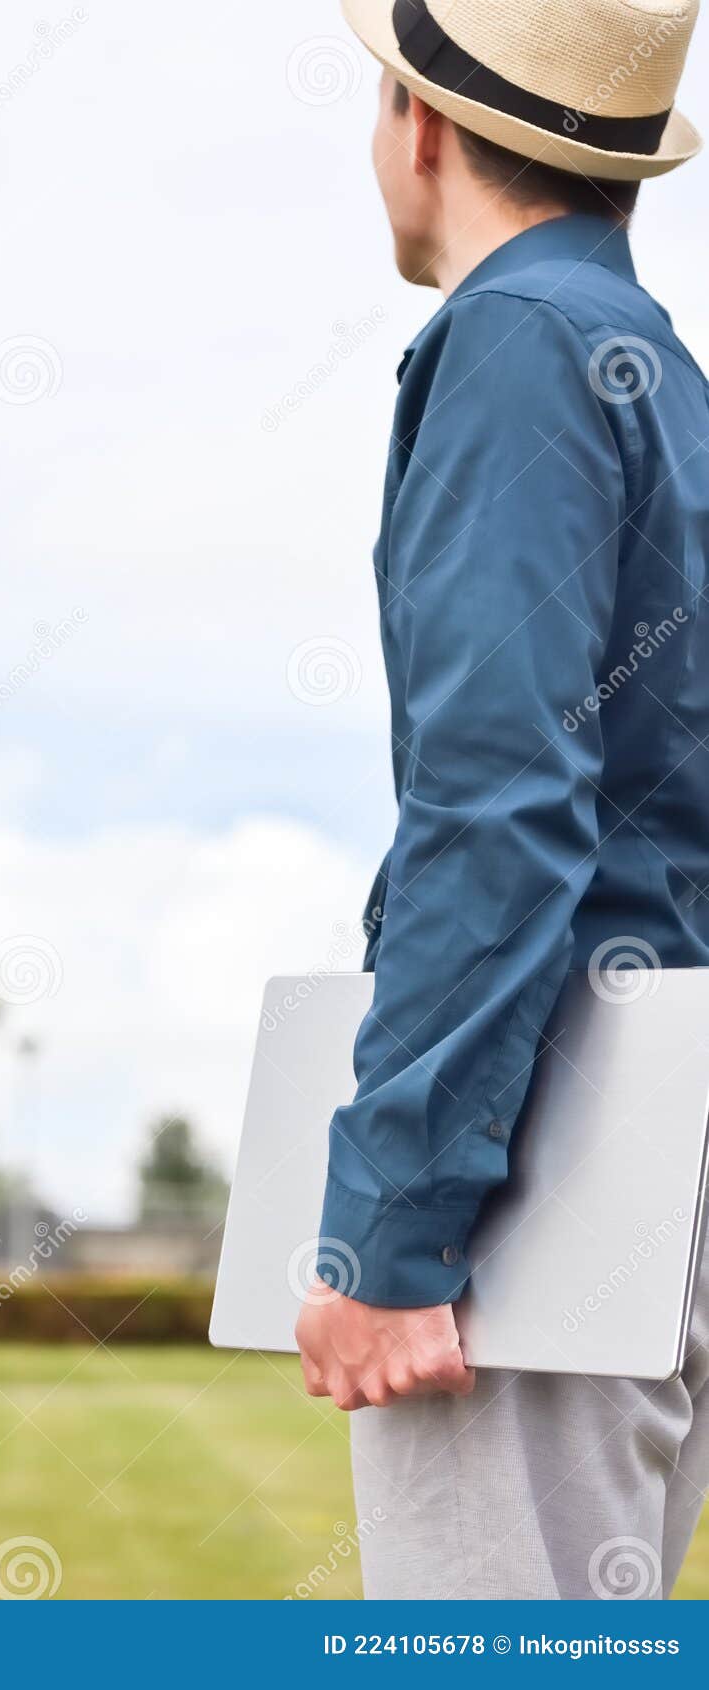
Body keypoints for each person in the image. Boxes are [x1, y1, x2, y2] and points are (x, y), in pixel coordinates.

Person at [295, 0, 709, 1599]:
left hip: (553, 1156)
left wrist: (396, 1220)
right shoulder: (661, 377)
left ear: (423, 125)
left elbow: (501, 800)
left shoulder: (515, 344)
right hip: (658, 1122)